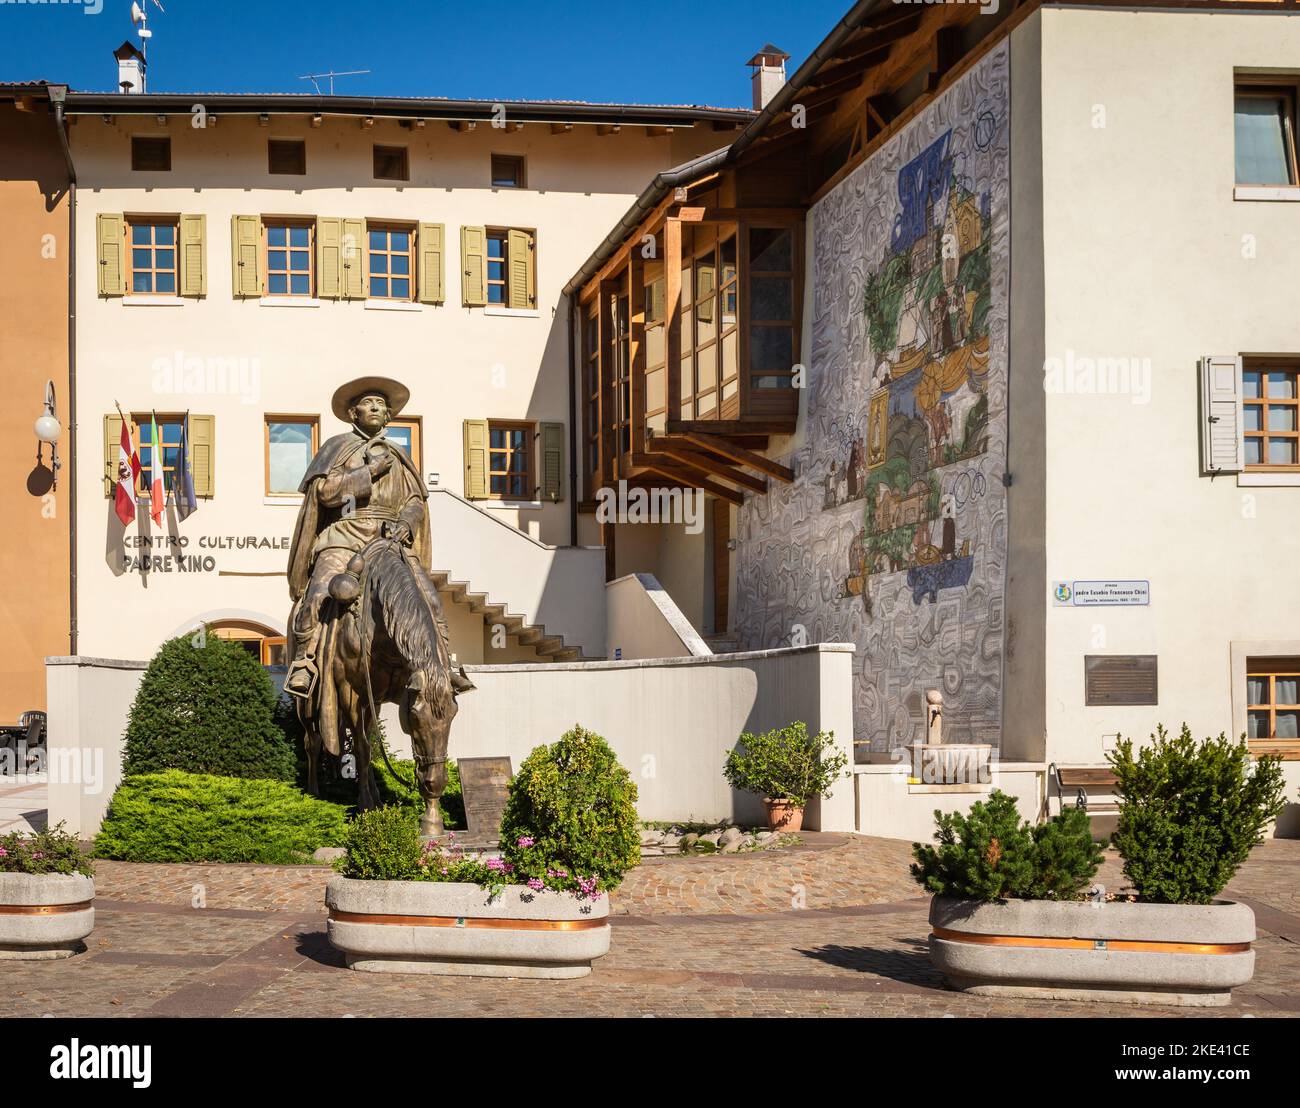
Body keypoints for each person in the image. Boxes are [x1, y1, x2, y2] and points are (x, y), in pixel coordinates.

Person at [284, 375, 472, 699]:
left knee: (430, 601)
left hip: (390, 541)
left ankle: (442, 665)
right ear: (353, 413)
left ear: (388, 416)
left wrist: (407, 523)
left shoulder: (399, 456)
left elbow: (415, 502)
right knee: (317, 593)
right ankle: (305, 659)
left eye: (381, 404)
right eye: (368, 403)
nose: (375, 407)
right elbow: (326, 493)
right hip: (344, 536)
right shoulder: (336, 448)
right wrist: (367, 472)